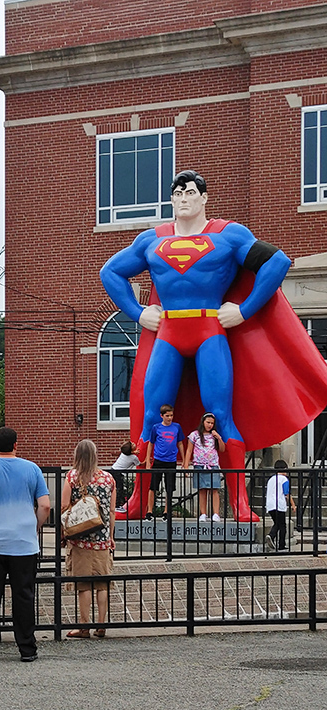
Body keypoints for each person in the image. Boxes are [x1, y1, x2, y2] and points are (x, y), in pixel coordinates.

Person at [100, 169, 294, 521]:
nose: (184, 198)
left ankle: (240, 505)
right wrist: (137, 312)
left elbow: (276, 262)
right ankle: (138, 503)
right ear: (171, 199)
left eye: (191, 191)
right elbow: (110, 272)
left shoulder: (228, 235)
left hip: (210, 331)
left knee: (221, 417)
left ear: (204, 197)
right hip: (169, 333)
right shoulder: (152, 240)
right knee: (149, 419)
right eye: (177, 192)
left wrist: (245, 310)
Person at [0, 427, 51, 662]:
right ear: (16, 445)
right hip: (23, 544)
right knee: (24, 596)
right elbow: (45, 505)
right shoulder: (32, 469)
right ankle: (27, 648)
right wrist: (34, 526)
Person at [61, 439, 116, 639]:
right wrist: (110, 537)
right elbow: (111, 511)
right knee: (102, 583)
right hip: (102, 539)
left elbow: (64, 506)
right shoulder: (108, 478)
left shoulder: (73, 477)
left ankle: (84, 627)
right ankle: (101, 626)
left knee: (84, 585)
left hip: (80, 539)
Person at [182, 413, 226, 521]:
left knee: (214, 489)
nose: (210, 425)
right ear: (203, 422)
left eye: (212, 423)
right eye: (208, 422)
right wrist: (186, 465)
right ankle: (203, 513)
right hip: (199, 465)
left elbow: (222, 449)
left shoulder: (214, 435)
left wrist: (219, 438)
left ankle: (216, 513)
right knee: (202, 489)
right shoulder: (195, 435)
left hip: (213, 465)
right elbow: (189, 450)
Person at [145, 404, 185, 521]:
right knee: (153, 487)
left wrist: (183, 460)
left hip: (171, 461)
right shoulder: (156, 428)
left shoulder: (177, 427)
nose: (169, 418)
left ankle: (167, 511)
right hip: (158, 460)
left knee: (169, 487)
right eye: (167, 416)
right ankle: (150, 511)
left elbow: (181, 443)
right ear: (161, 416)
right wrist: (148, 461)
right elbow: (150, 443)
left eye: (171, 415)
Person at [265, 459, 296, 553]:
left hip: (270, 505)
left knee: (277, 523)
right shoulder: (284, 479)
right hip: (279, 504)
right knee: (282, 525)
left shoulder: (271, 479)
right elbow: (287, 493)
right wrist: (293, 504)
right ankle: (278, 541)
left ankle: (272, 538)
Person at [108, 440, 139, 509]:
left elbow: (129, 454)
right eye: (132, 445)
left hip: (113, 469)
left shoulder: (123, 454)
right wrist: (146, 460)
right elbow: (139, 463)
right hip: (119, 473)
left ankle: (114, 503)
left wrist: (134, 452)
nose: (134, 444)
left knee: (114, 488)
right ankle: (117, 505)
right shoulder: (134, 458)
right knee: (119, 488)